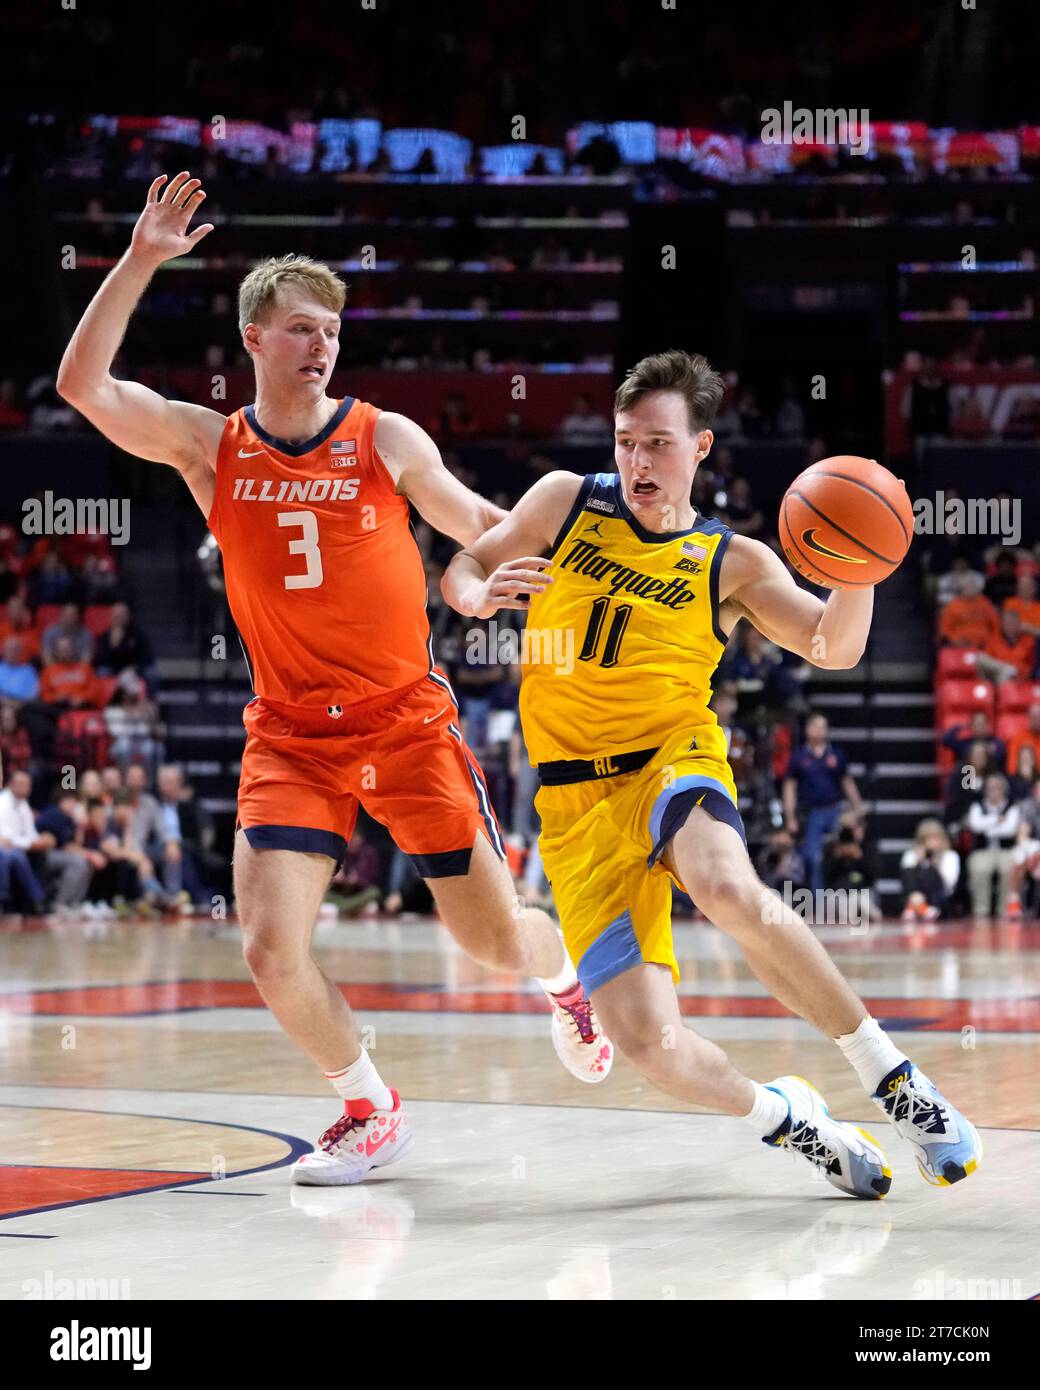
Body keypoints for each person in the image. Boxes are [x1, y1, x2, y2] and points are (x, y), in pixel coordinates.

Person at [56, 170, 612, 1187]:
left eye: (332, 333)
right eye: (301, 329)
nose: (321, 346)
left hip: (407, 727)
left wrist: (508, 575)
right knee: (269, 950)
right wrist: (141, 257)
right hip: (292, 738)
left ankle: (566, 983)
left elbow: (474, 520)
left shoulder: (382, 435)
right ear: (254, 341)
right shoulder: (209, 445)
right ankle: (369, 1103)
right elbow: (83, 387)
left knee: (496, 941)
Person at [442, 347, 982, 1198]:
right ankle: (791, 1120)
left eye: (657, 443)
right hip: (574, 805)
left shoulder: (734, 561)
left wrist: (862, 570)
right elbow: (465, 564)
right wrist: (474, 594)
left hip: (670, 759)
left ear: (698, 449)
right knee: (646, 1044)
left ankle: (896, 1083)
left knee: (728, 889)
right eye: (626, 441)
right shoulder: (564, 503)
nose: (637, 461)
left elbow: (832, 648)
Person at [782, 712, 863, 894]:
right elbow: (790, 788)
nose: (819, 731)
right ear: (807, 729)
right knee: (813, 856)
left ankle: (842, 894)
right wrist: (790, 816)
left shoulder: (836, 755)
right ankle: (818, 900)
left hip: (835, 810)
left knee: (840, 853)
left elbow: (846, 781)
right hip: (812, 813)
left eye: (823, 727)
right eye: (815, 726)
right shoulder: (798, 757)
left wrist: (857, 806)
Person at [966, 773, 1020, 919]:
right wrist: (997, 819)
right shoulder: (977, 805)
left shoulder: (1011, 806)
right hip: (982, 851)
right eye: (990, 788)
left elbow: (1010, 830)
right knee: (980, 869)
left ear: (1003, 789)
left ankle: (1004, 909)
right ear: (985, 790)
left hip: (1006, 850)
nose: (994, 791)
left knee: (1008, 869)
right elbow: (976, 826)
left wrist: (987, 825)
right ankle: (981, 910)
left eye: (997, 788)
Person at [899, 819, 960, 923]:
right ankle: (921, 907)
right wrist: (919, 861)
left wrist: (936, 865)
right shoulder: (911, 855)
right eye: (927, 839)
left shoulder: (950, 856)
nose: (932, 842)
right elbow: (906, 879)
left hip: (939, 898)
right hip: (915, 894)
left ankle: (916, 908)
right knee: (909, 870)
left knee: (929, 872)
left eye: (935, 838)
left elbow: (950, 884)